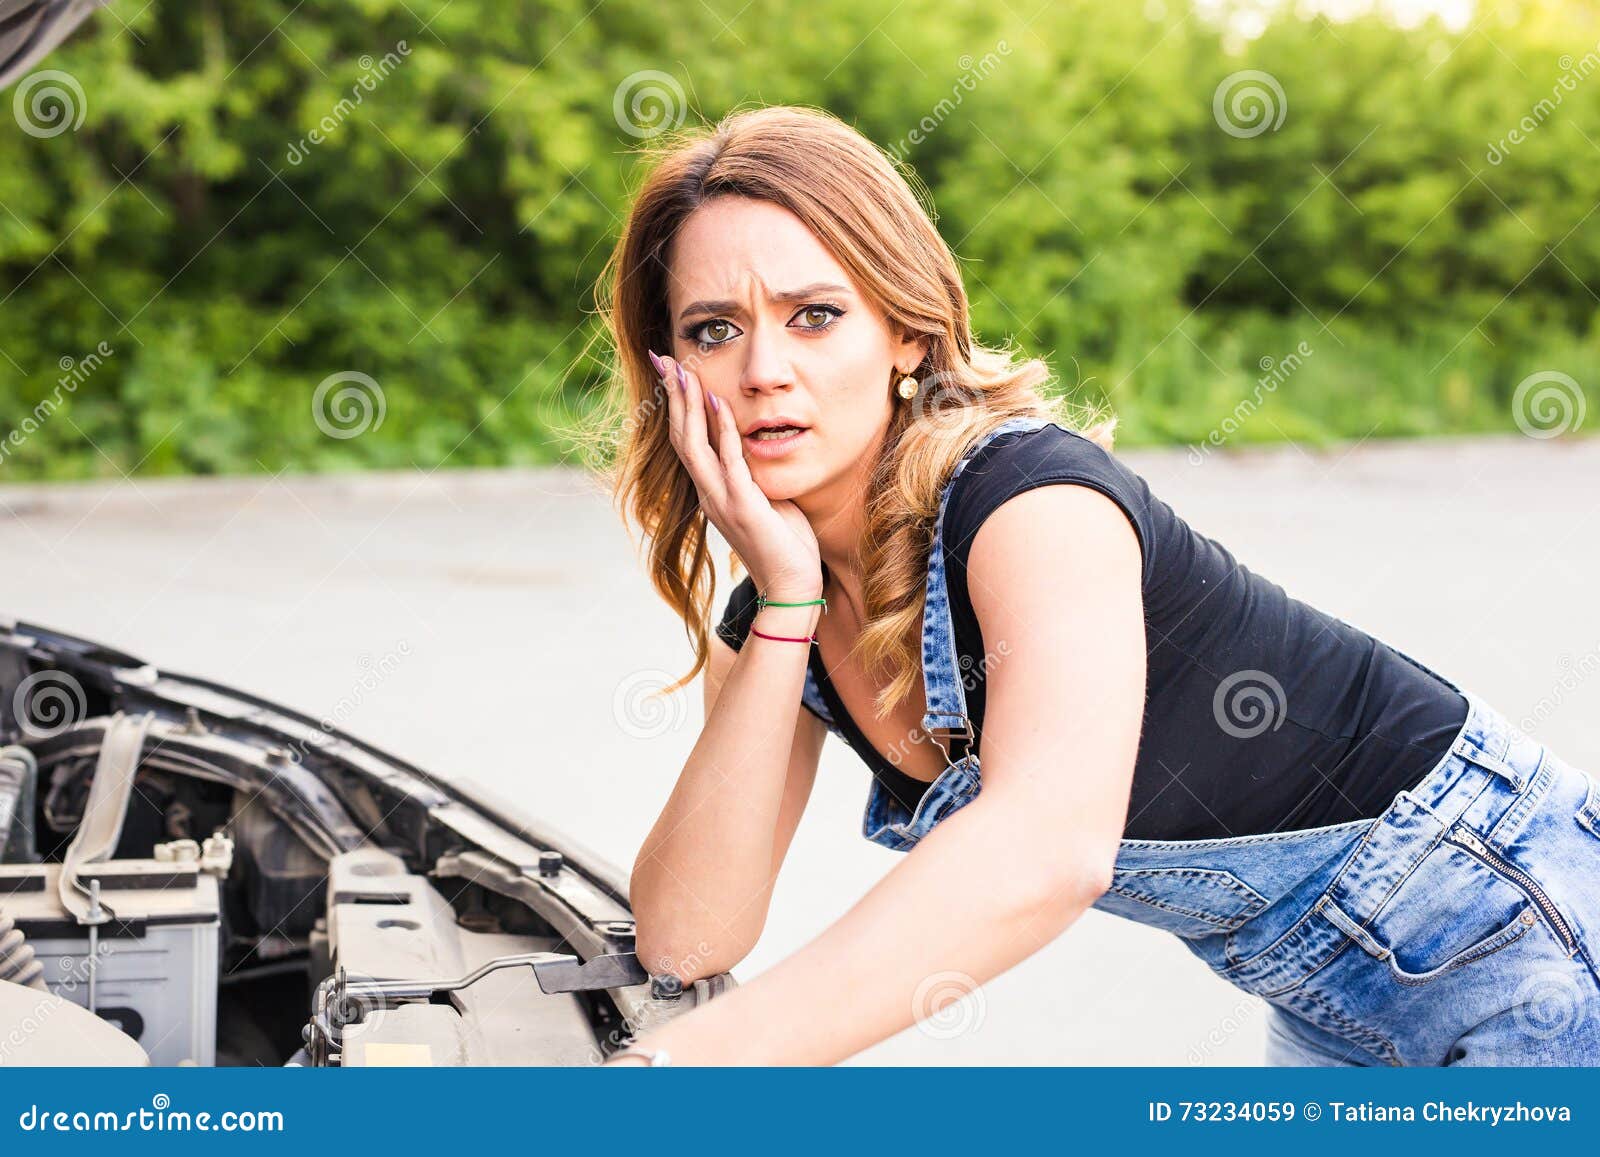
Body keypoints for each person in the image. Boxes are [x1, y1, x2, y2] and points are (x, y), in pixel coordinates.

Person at [592, 103, 1600, 1066]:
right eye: (712, 329)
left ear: (904, 333)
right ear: (670, 366)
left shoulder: (1028, 500)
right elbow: (686, 937)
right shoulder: (784, 607)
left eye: (814, 314)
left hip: (1520, 923)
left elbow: (1046, 851)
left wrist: (683, 1065)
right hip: (1338, 993)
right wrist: (781, 602)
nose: (763, 367)